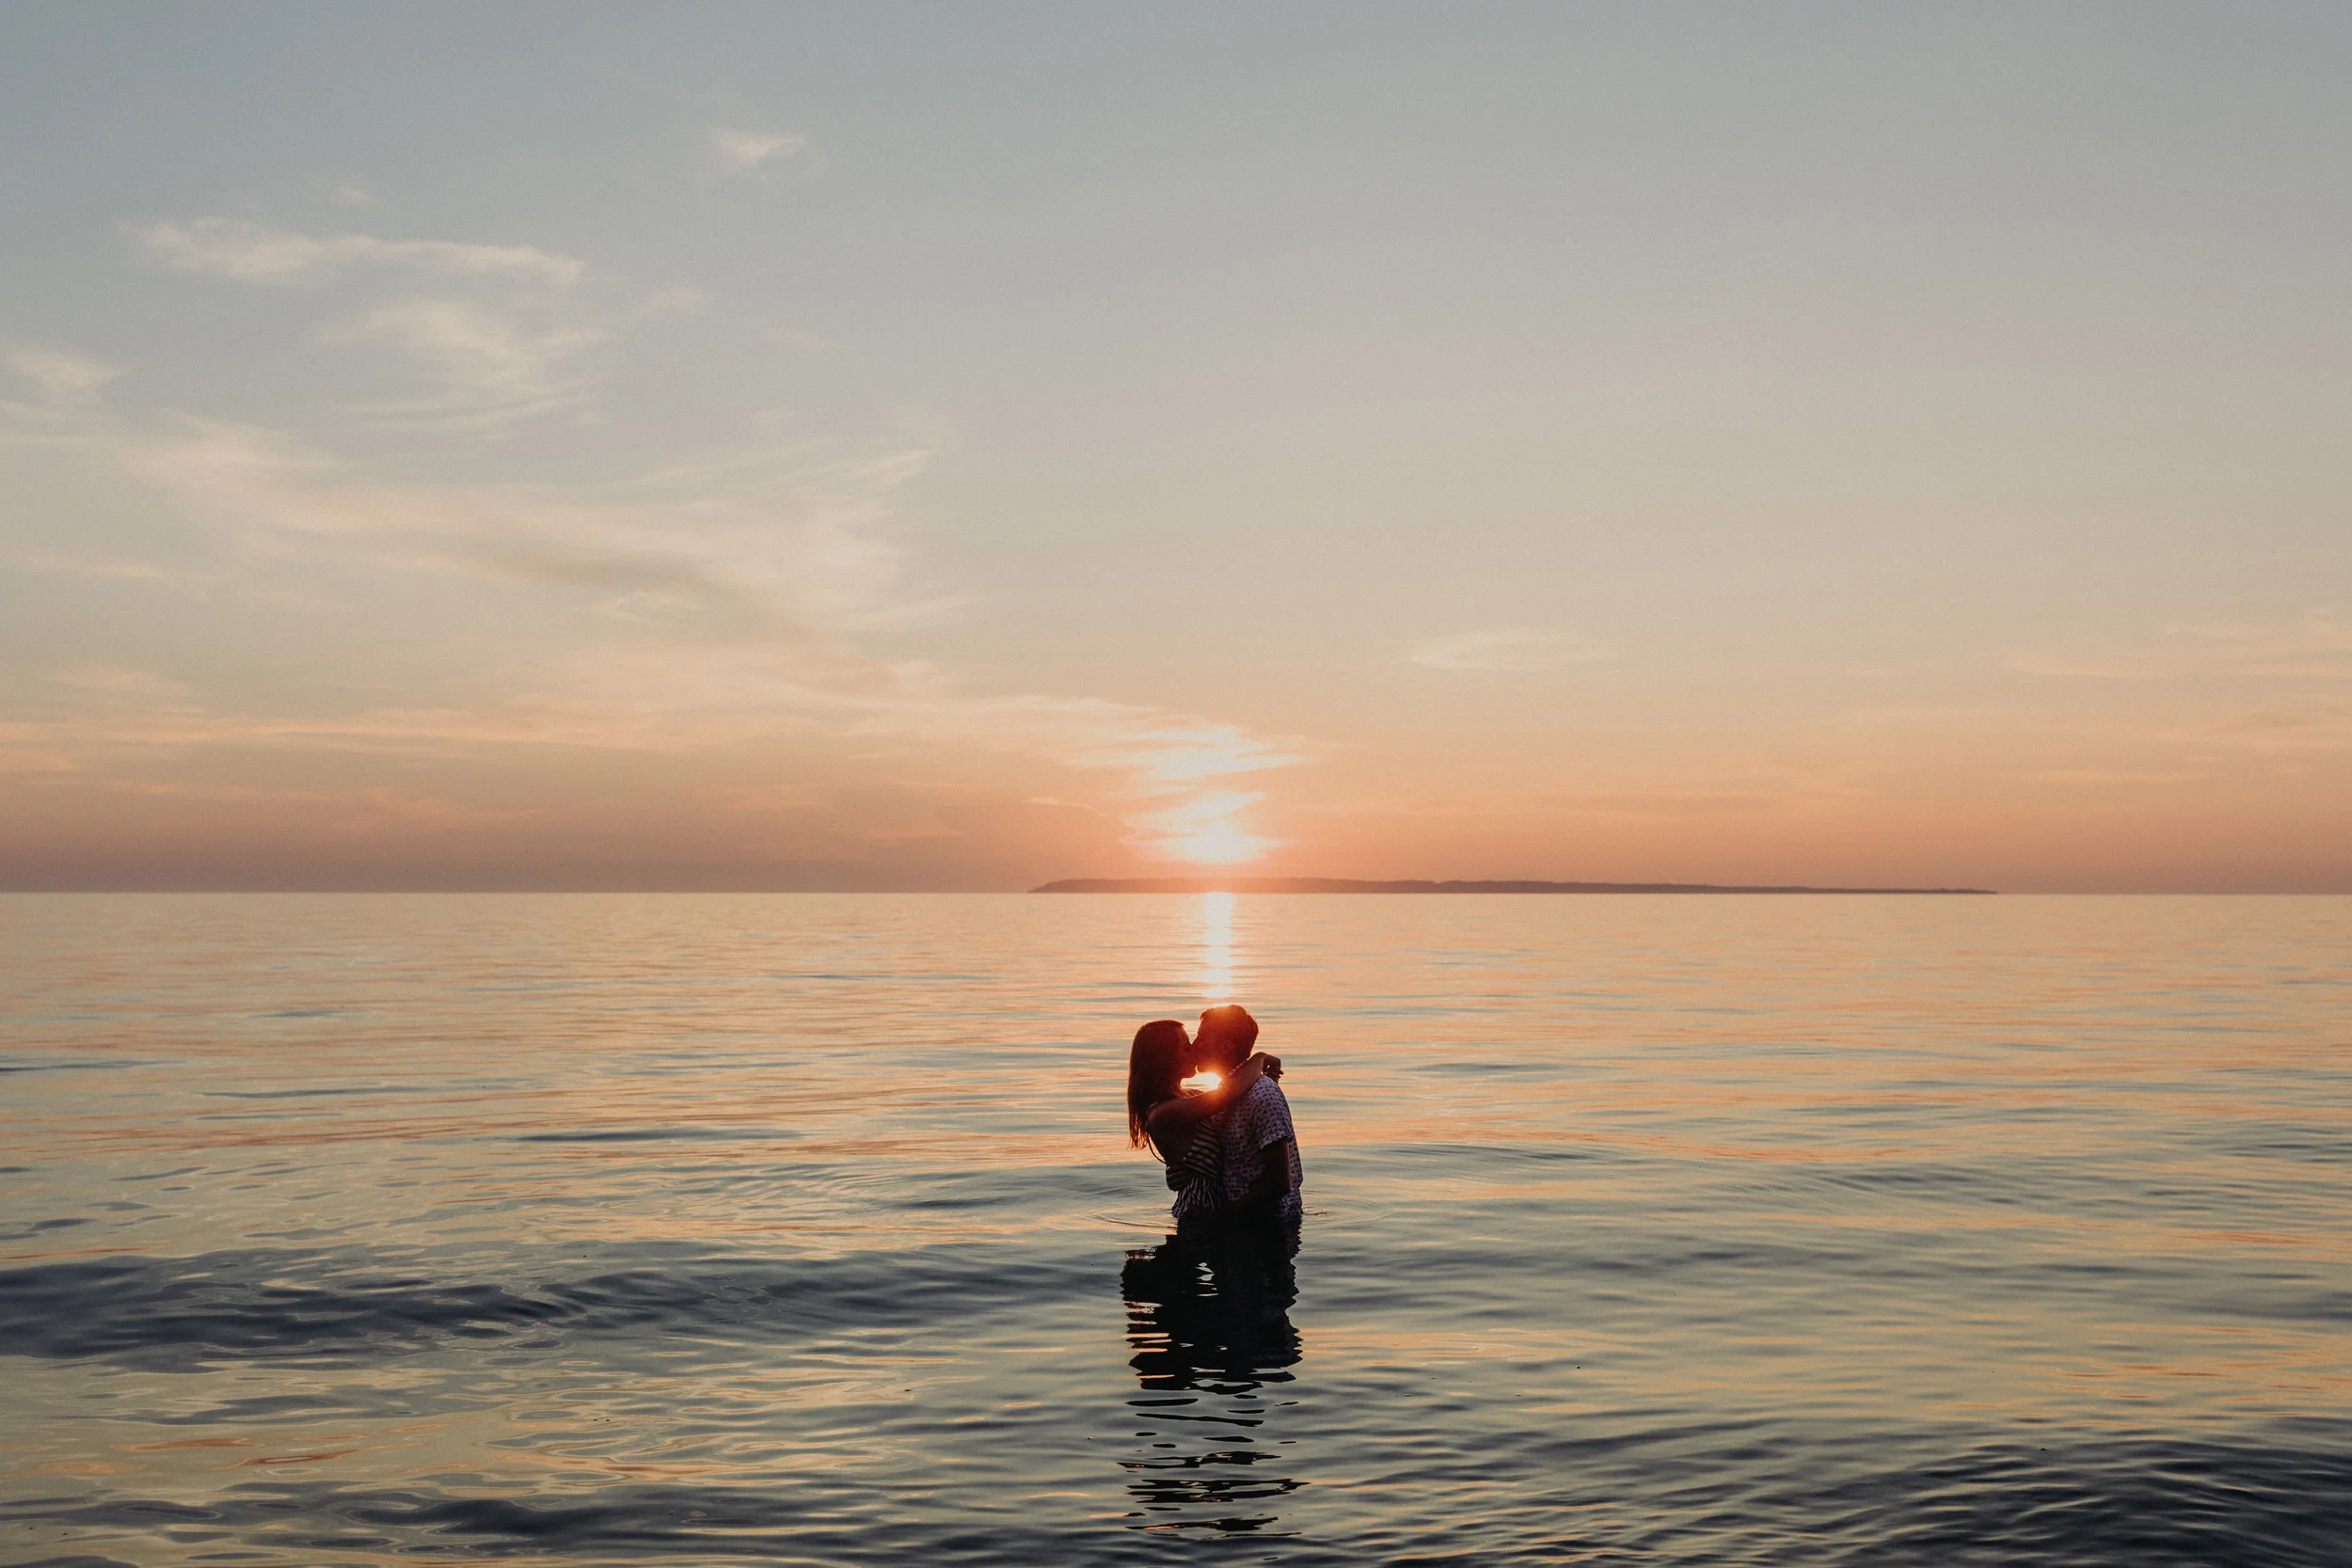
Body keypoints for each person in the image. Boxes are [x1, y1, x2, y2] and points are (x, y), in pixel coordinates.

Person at [1125, 1019, 1281, 1225]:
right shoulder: (1163, 1113)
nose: (1194, 1048)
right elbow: (1229, 1093)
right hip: (1200, 1216)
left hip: (1219, 1213)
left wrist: (1268, 1081)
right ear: (1166, 1058)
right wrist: (1260, 1058)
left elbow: (1236, 1098)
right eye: (1186, 1047)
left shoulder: (1188, 1097)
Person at [1191, 1005, 1303, 1227]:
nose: (1194, 1045)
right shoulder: (1226, 1095)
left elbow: (1279, 1183)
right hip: (1242, 1225)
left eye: (1202, 1038)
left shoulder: (1262, 1095)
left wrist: (1221, 1218)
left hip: (1269, 1229)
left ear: (1225, 1047)